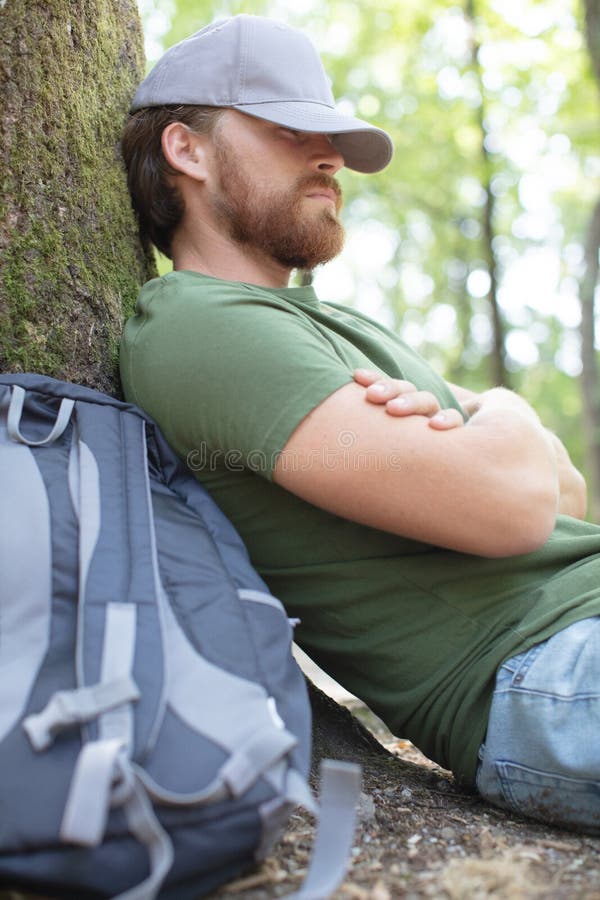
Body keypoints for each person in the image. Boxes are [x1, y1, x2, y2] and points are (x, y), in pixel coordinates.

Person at [120, 14, 600, 833]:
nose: (329, 156)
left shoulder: (321, 326)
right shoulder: (200, 329)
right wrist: (503, 410)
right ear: (186, 150)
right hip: (542, 679)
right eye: (289, 128)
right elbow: (519, 506)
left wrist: (495, 436)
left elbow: (566, 489)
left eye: (332, 135)